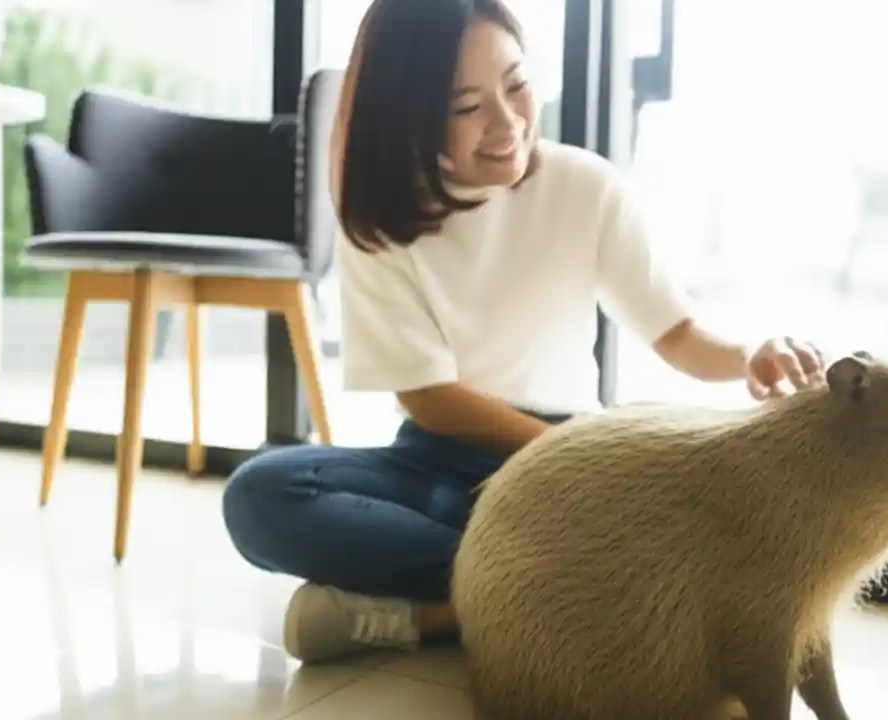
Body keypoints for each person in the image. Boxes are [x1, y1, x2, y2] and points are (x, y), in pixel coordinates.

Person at [221, 0, 825, 665]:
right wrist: (568, 462)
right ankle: (563, 588)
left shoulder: (585, 187)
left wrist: (749, 357)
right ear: (409, 117)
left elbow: (676, 334)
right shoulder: (380, 218)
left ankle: (433, 616)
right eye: (465, 107)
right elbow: (431, 398)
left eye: (516, 85)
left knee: (697, 519)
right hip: (444, 460)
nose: (507, 124)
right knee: (261, 496)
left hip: (570, 458)